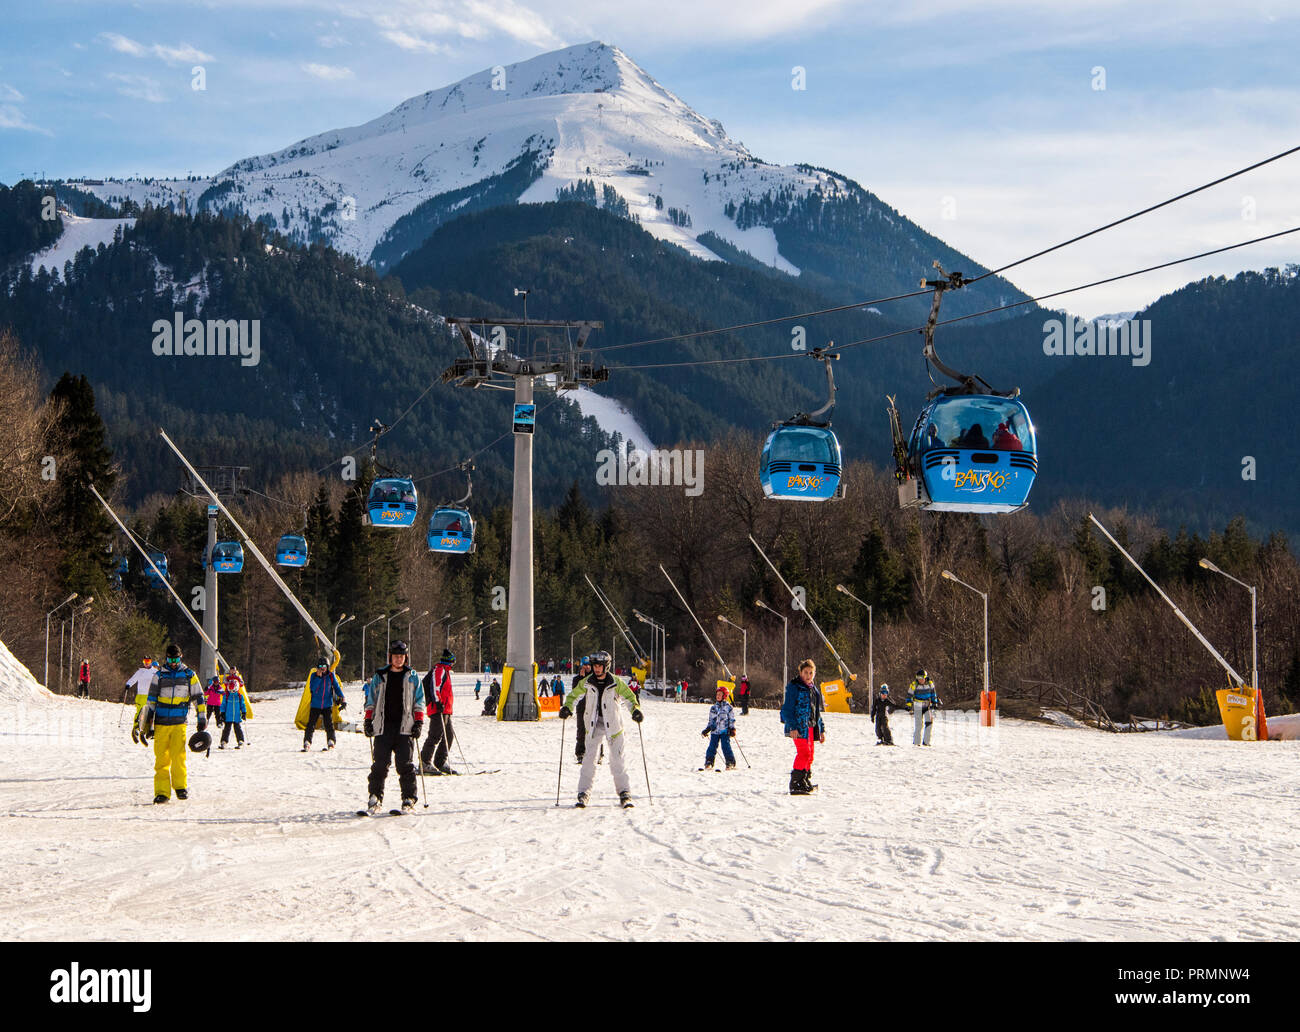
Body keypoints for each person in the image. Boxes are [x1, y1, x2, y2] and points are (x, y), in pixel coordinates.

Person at [559, 650, 643, 808]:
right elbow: (573, 696)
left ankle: (624, 792)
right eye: (595, 666)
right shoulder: (587, 682)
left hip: (614, 725)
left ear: (607, 666)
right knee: (588, 759)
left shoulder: (616, 682)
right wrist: (567, 708)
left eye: (600, 666)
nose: (597, 669)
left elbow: (630, 698)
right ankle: (583, 793)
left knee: (617, 759)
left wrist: (636, 710)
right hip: (593, 724)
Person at [138, 643, 205, 804]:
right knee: (161, 760)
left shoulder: (189, 675)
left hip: (179, 723)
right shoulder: (159, 676)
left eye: (175, 659)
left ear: (180, 657)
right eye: (170, 659)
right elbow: (151, 701)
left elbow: (199, 697)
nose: (173, 662)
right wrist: (146, 724)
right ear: (166, 658)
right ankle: (162, 792)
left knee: (178, 757)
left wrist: (201, 718)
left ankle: (181, 787)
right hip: (161, 724)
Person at [363, 641, 425, 814]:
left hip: (405, 728)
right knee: (380, 764)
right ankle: (375, 797)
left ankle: (409, 798)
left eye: (401, 656)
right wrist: (368, 720)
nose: (398, 659)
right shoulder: (380, 675)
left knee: (405, 765)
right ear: (390, 657)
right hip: (383, 727)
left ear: (406, 658)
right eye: (395, 656)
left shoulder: (412, 677)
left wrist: (418, 722)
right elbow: (371, 700)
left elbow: (419, 701)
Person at [780, 660, 824, 796]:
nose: (808, 675)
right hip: (798, 727)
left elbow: (816, 711)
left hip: (810, 726)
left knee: (810, 755)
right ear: (800, 673)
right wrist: (792, 727)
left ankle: (804, 780)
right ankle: (795, 783)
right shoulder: (795, 687)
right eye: (806, 672)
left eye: (811, 673)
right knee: (803, 753)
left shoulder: (813, 689)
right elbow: (786, 709)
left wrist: (821, 729)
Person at [421, 648, 456, 775]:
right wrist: (437, 701)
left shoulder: (445, 671)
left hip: (446, 709)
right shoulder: (439, 669)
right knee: (435, 735)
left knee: (449, 736)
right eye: (453, 662)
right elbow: (435, 686)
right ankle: (424, 762)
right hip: (438, 708)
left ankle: (440, 762)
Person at [303, 649, 345, 751]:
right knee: (311, 724)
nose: (322, 669)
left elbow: (336, 687)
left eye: (324, 667)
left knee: (328, 724)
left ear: (327, 667)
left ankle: (331, 741)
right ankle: (307, 741)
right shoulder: (314, 676)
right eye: (320, 667)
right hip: (315, 705)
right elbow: (312, 688)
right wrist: (318, 677)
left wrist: (342, 698)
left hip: (327, 704)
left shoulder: (330, 676)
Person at [701, 685, 737, 770]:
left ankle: (730, 762)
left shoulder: (729, 707)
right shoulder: (713, 708)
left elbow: (731, 719)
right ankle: (709, 762)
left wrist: (732, 729)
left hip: (725, 731)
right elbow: (711, 720)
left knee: (726, 746)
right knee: (712, 747)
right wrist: (707, 729)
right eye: (717, 694)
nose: (718, 696)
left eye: (720, 694)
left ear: (724, 696)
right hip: (715, 731)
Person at [124, 657, 157, 742]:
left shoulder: (155, 672)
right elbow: (133, 679)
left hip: (151, 696)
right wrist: (128, 684)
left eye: (148, 661)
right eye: (144, 661)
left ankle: (147, 730)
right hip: (141, 695)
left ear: (151, 662)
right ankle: (136, 728)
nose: (146, 663)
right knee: (140, 712)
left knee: (150, 714)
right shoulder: (140, 671)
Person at [907, 669, 941, 747]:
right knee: (919, 724)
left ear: (925, 678)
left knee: (929, 722)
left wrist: (934, 702)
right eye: (918, 678)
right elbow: (909, 695)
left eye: (921, 678)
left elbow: (933, 694)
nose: (920, 680)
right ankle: (916, 742)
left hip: (926, 705)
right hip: (917, 705)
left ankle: (926, 741)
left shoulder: (930, 684)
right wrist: (909, 705)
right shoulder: (914, 684)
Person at [219, 675, 248, 749]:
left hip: (236, 716)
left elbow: (242, 705)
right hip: (228, 716)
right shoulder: (227, 696)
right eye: (230, 690)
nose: (231, 691)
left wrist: (244, 713)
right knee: (226, 729)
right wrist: (222, 713)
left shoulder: (239, 696)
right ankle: (224, 741)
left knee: (237, 728)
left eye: (233, 690)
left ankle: (240, 741)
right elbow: (223, 705)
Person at [572, 656, 592, 762]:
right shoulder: (576, 679)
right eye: (585, 665)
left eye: (589, 665)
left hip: (593, 707)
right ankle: (580, 753)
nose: (587, 667)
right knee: (581, 730)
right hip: (581, 708)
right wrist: (581, 678)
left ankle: (598, 752)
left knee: (596, 731)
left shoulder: (594, 678)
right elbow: (575, 692)